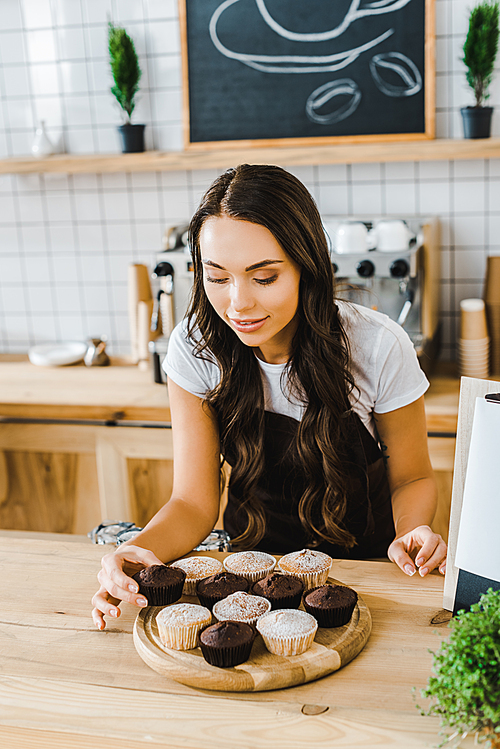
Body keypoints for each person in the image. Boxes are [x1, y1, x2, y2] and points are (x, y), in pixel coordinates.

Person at [92, 164, 447, 630]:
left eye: (263, 278)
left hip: (369, 573)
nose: (238, 303)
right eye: (217, 278)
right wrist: (139, 551)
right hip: (248, 577)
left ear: (306, 266)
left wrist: (413, 532)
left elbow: (413, 477)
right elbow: (194, 502)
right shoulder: (195, 347)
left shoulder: (376, 344)